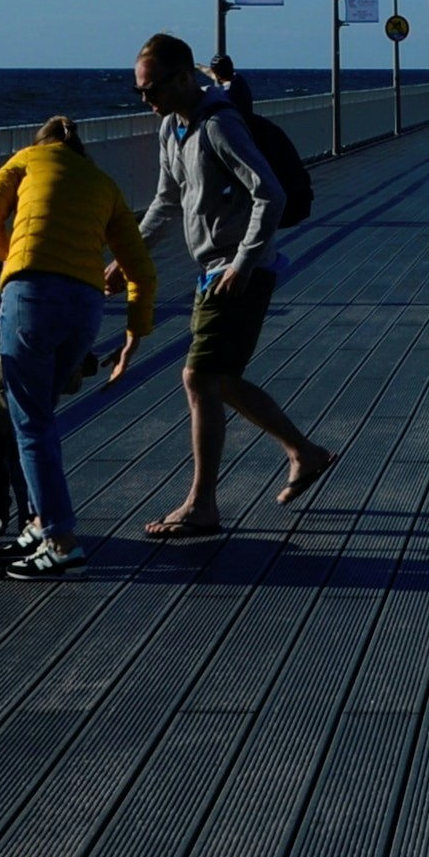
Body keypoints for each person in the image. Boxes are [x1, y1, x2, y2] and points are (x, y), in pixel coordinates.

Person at [134, 33, 333, 539]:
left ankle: (203, 505)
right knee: (218, 380)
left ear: (184, 78)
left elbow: (271, 194)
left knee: (200, 378)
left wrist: (243, 264)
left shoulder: (220, 124)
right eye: (139, 90)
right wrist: (129, 255)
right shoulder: (169, 129)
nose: (145, 98)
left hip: (240, 271)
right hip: (212, 270)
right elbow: (166, 199)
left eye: (152, 87)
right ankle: (304, 453)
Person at [0, 115, 158, 577]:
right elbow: (142, 272)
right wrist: (134, 335)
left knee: (31, 422)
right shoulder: (103, 184)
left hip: (33, 295)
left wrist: (8, 259)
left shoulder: (27, 160)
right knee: (39, 419)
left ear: (42, 144)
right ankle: (39, 519)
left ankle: (60, 540)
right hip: (86, 306)